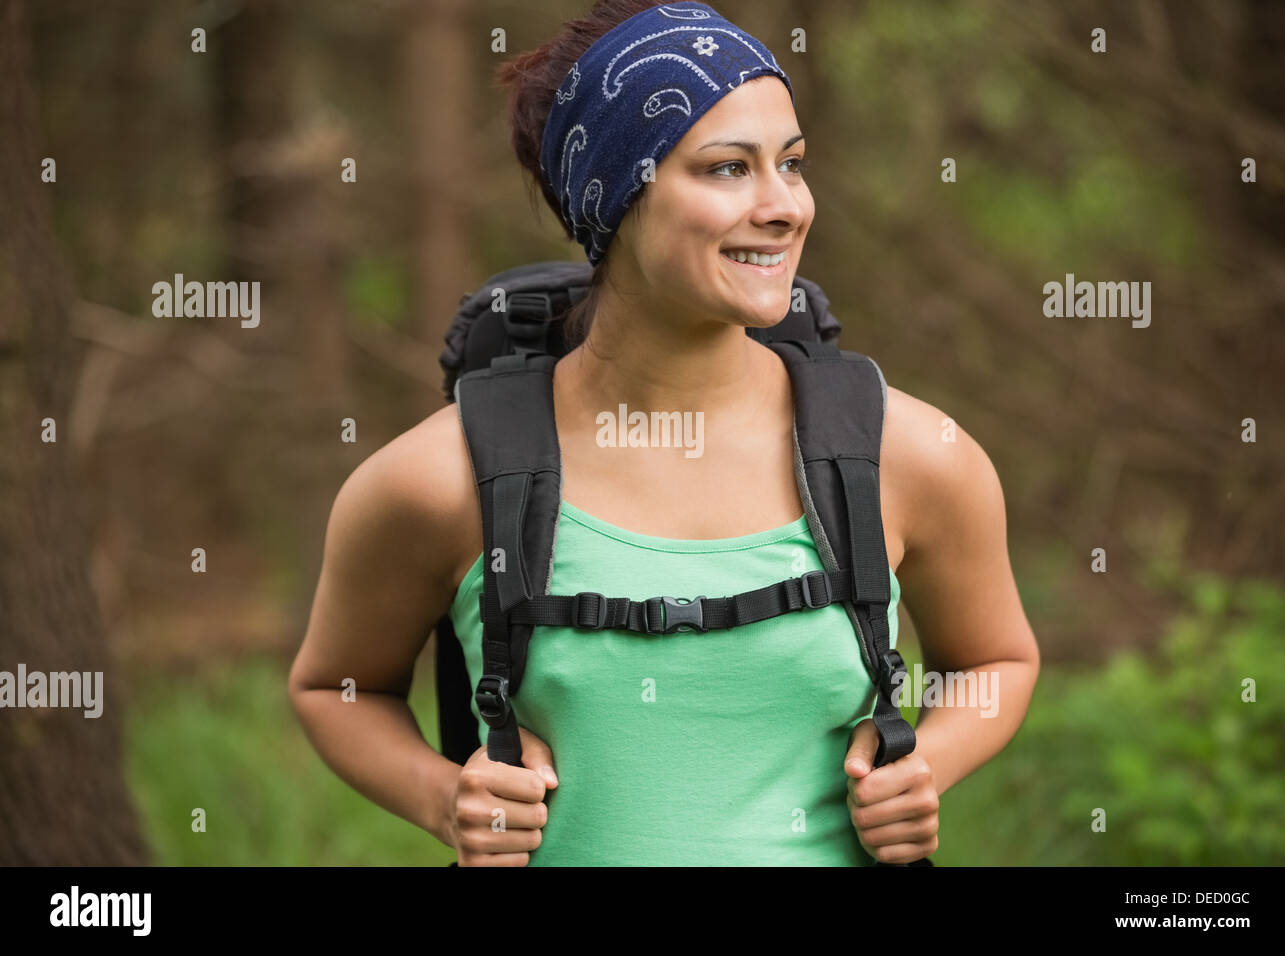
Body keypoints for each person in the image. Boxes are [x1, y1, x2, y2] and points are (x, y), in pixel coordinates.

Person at [288, 0, 1040, 866]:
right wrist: (442, 795)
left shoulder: (908, 456)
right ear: (616, 194)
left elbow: (996, 661)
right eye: (726, 169)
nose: (786, 206)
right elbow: (333, 688)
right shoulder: (440, 478)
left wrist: (927, 768)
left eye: (791, 165)